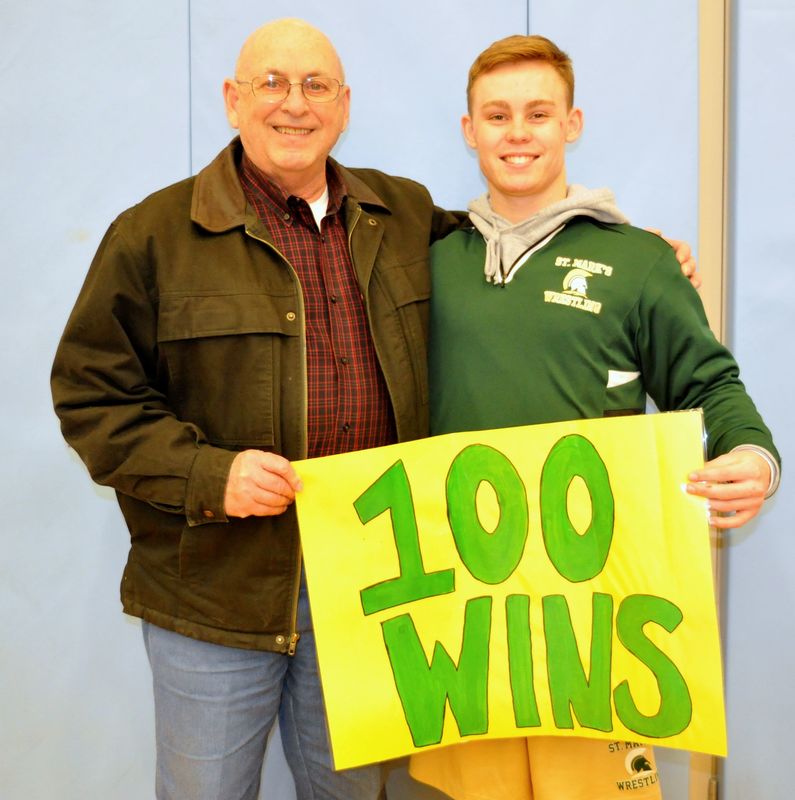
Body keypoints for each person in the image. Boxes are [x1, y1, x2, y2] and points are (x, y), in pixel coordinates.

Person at [51, 18, 699, 800]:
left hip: (374, 590)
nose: (295, 104)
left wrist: (633, 258)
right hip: (215, 598)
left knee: (353, 793)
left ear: (344, 105)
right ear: (232, 100)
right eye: (272, 84)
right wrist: (203, 472)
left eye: (315, 85)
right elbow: (90, 393)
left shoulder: (398, 214)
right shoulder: (154, 234)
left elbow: (510, 245)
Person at [409, 34, 779, 800]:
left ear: (571, 123)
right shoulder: (423, 258)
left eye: (538, 113)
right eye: (498, 115)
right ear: (467, 129)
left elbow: (708, 383)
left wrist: (752, 454)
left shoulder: (640, 262)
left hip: (594, 622)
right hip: (459, 620)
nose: (518, 133)